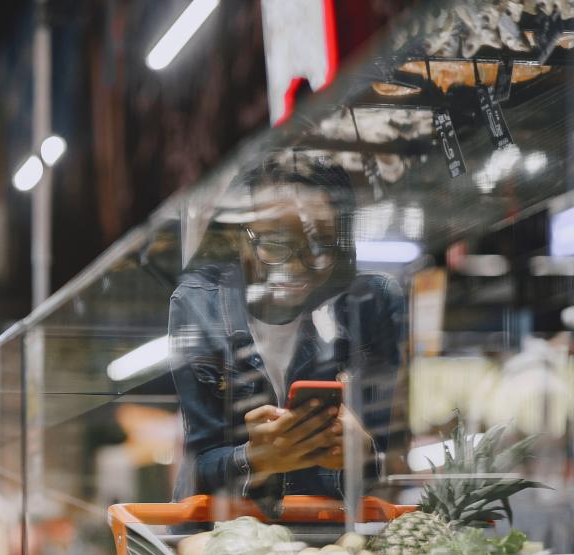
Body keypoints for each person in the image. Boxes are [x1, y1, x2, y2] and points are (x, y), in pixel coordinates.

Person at [168, 155, 405, 509]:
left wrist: (365, 453)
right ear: (241, 237)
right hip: (223, 534)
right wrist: (252, 458)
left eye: (320, 244)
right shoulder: (200, 307)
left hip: (328, 538)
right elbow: (199, 464)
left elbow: (392, 459)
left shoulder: (371, 305)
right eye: (275, 244)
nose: (296, 267)